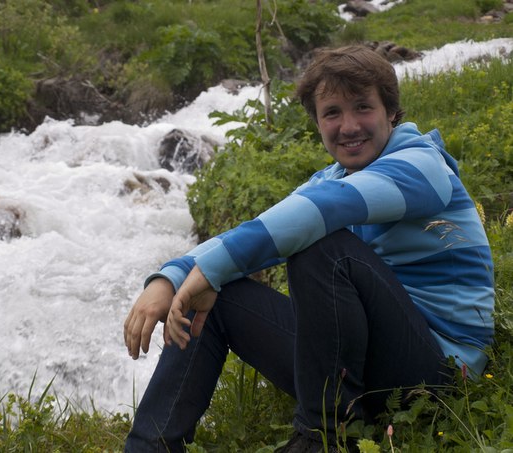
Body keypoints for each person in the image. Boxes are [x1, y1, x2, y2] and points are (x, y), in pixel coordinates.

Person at [122, 45, 495, 452]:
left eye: (362, 107)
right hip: (363, 368)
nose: (348, 125)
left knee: (323, 245)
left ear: (390, 112)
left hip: (437, 372)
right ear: (317, 123)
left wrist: (209, 268)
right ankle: (149, 446)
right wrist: (170, 278)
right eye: (332, 113)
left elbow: (320, 212)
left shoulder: (421, 165)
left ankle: (323, 438)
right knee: (215, 292)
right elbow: (261, 227)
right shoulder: (329, 181)